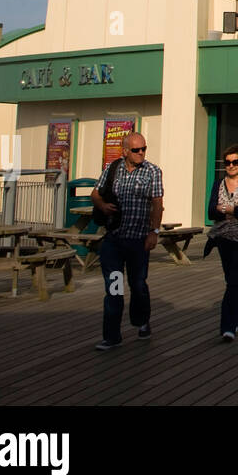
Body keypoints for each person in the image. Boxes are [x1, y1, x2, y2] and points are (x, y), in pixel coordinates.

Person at [91, 132, 163, 351]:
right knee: (114, 287)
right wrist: (103, 206)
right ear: (125, 151)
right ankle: (112, 336)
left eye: (143, 149)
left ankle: (142, 321)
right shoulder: (112, 169)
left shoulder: (152, 171)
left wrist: (154, 232)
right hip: (114, 240)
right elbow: (95, 194)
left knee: (138, 285)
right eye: (136, 150)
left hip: (138, 241)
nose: (141, 153)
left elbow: (157, 203)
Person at [206, 144, 238, 342]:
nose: (231, 166)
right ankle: (237, 317)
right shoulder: (218, 184)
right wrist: (236, 207)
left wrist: (226, 208)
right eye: (227, 162)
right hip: (223, 237)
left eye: (235, 162)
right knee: (231, 279)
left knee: (234, 280)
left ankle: (227, 327)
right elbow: (211, 211)